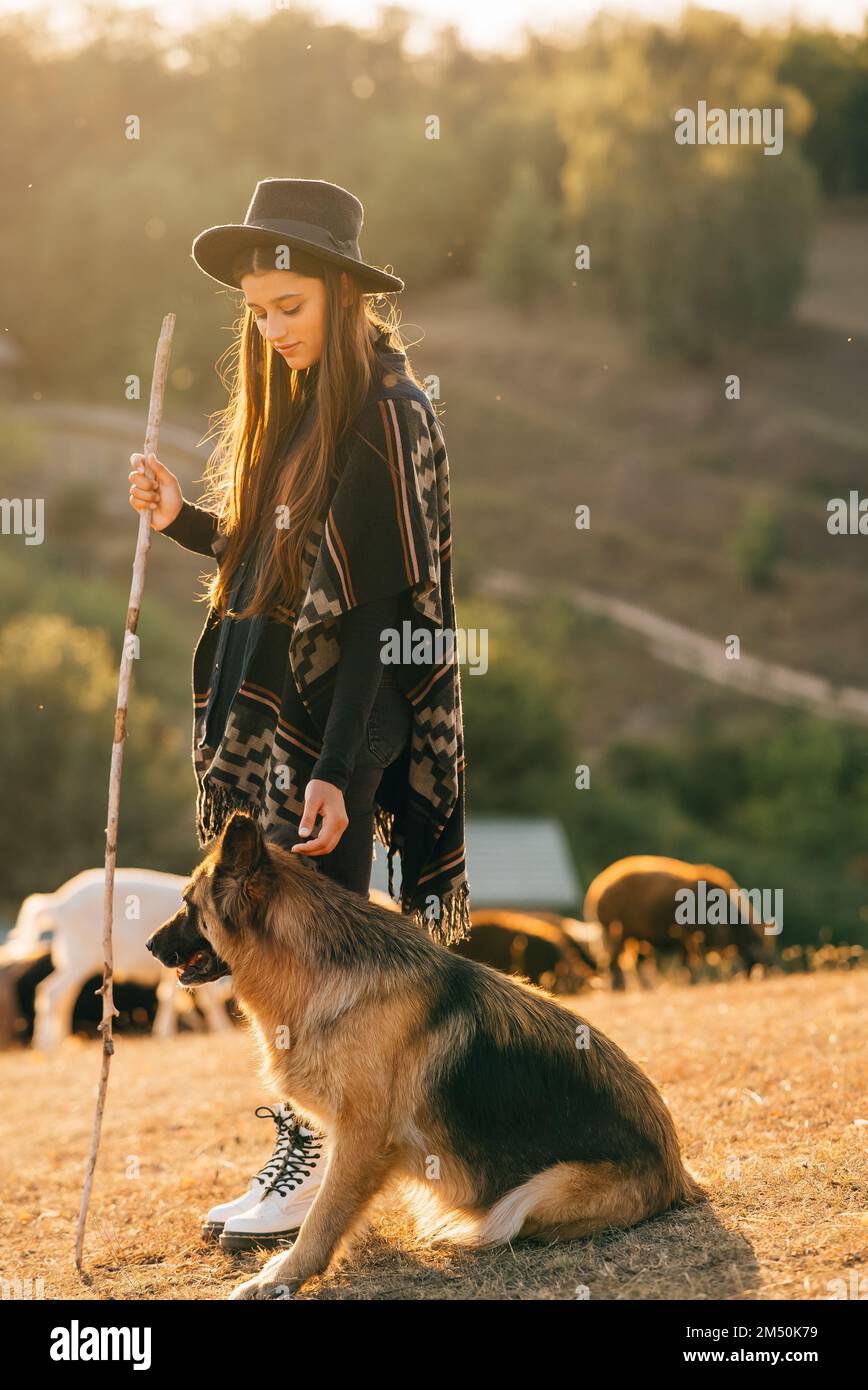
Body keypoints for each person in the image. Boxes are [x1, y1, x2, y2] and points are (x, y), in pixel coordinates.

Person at [128, 177, 471, 1251]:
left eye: (291, 305)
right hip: (273, 730)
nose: (273, 328)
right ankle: (311, 1150)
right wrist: (185, 519)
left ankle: (315, 1163)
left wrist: (334, 770)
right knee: (276, 956)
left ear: (339, 291)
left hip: (339, 733)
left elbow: (376, 618)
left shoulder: (383, 412)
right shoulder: (299, 406)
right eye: (261, 310)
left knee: (311, 963)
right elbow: (270, 559)